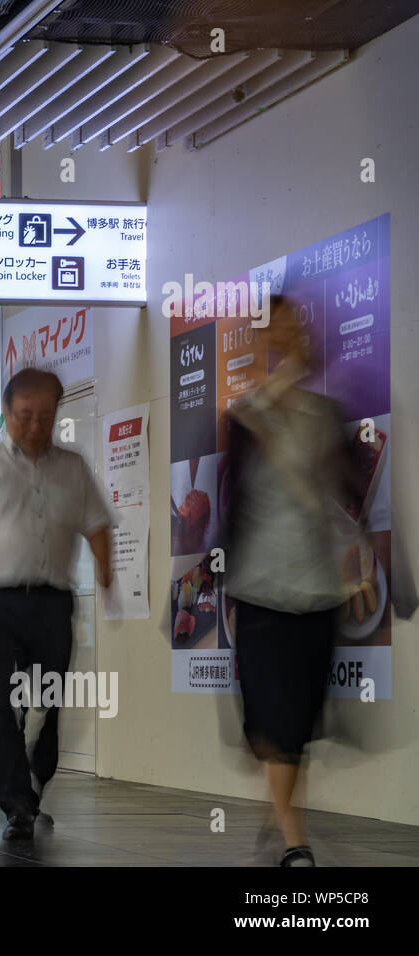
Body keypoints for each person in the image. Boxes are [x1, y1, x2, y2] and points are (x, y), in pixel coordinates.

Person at [0, 367, 113, 841]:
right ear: (7, 413)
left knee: (49, 694)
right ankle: (17, 804)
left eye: (45, 416)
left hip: (52, 601)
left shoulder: (72, 468)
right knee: (0, 700)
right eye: (24, 416)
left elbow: (97, 523)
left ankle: (41, 764)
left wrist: (106, 568)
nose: (35, 426)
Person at [221, 295, 365, 867]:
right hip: (260, 590)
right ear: (260, 341)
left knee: (295, 725)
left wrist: (361, 564)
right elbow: (232, 507)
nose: (286, 337)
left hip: (316, 589)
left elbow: (353, 492)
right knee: (273, 721)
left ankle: (280, 817)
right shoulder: (245, 417)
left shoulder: (325, 416)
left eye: (293, 327)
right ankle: (293, 839)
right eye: (273, 329)